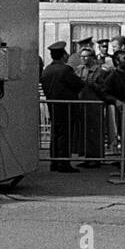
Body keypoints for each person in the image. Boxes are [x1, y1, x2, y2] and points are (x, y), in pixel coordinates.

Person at [41, 42, 84, 173]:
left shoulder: (47, 70)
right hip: (66, 107)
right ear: (63, 55)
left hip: (53, 105)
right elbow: (78, 84)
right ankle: (64, 163)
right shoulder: (66, 70)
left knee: (55, 134)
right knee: (65, 135)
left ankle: (54, 162)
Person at [74, 46, 106, 167]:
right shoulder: (79, 70)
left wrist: (92, 85)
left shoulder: (99, 71)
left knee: (95, 132)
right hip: (82, 104)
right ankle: (88, 156)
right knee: (85, 131)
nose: (83, 59)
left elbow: (103, 88)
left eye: (86, 56)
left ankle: (96, 158)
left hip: (94, 104)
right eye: (82, 56)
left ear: (92, 57)